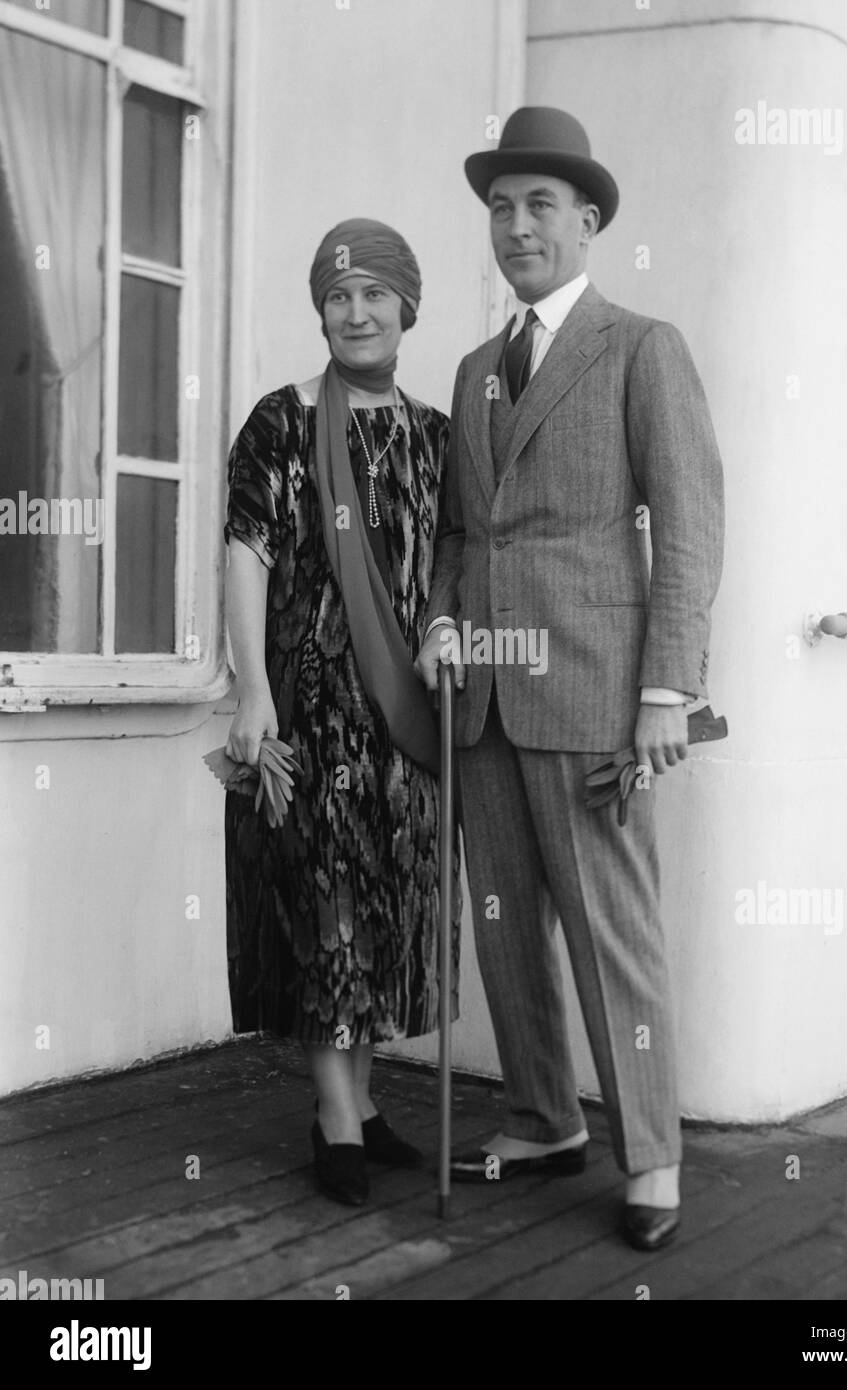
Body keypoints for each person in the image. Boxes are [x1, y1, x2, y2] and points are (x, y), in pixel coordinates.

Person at [416, 108, 724, 1251]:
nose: (517, 226)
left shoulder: (642, 347)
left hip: (595, 690)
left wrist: (665, 692)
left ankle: (651, 1151)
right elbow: (459, 534)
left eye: (541, 205)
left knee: (612, 932)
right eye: (501, 207)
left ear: (589, 221)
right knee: (505, 924)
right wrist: (443, 624)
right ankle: (544, 1117)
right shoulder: (470, 369)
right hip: (485, 694)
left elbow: (690, 528)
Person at [224, 218, 459, 1208]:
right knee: (326, 912)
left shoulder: (437, 437)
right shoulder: (281, 422)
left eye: (373, 294)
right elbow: (246, 552)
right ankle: (331, 1116)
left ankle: (361, 1105)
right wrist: (254, 692)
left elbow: (451, 569)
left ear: (408, 305)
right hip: (310, 711)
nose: (355, 312)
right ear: (319, 308)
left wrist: (451, 632)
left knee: (386, 904)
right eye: (336, 295)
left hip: (401, 715)